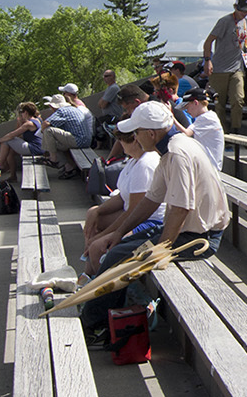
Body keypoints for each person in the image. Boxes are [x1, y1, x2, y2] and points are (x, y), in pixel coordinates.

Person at [81, 101, 228, 339]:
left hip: (200, 238)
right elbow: (149, 201)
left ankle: (94, 323)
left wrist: (162, 249)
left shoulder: (178, 153)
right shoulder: (170, 149)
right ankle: (101, 316)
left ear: (151, 133)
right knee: (118, 248)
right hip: (187, 231)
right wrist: (118, 232)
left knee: (120, 257)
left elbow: (181, 208)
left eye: (137, 133)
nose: (135, 138)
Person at [81, 127, 162, 275]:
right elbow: (122, 197)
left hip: (151, 221)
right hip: (136, 215)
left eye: (121, 139)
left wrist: (101, 237)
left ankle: (102, 287)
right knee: (94, 217)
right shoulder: (134, 161)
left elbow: (135, 211)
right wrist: (97, 211)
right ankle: (88, 276)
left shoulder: (145, 164)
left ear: (135, 140)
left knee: (96, 247)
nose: (118, 143)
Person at [203, 0, 247, 134]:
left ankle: (236, 130)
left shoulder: (246, 23)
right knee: (220, 104)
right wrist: (207, 61)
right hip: (220, 69)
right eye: (242, 10)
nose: (244, 13)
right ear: (235, 7)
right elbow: (208, 42)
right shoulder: (224, 21)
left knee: (238, 99)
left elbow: (244, 45)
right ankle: (223, 132)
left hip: (237, 68)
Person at [40, 93, 92, 177]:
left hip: (78, 140)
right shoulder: (74, 109)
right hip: (86, 140)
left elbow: (46, 124)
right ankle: (69, 167)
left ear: (53, 106)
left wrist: (42, 131)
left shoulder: (62, 111)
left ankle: (53, 160)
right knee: (54, 144)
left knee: (48, 131)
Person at [176, 88, 224, 169]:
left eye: (187, 107)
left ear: (195, 103)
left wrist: (171, 117)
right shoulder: (205, 117)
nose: (187, 111)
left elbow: (186, 133)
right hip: (207, 167)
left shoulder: (207, 118)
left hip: (210, 169)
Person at [0, 102, 44, 180]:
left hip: (34, 148)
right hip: (37, 147)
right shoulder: (37, 119)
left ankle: (0, 164)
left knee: (7, 140)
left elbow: (13, 134)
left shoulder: (29, 124)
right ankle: (13, 175)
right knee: (10, 152)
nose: (22, 115)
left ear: (26, 112)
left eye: (22, 112)